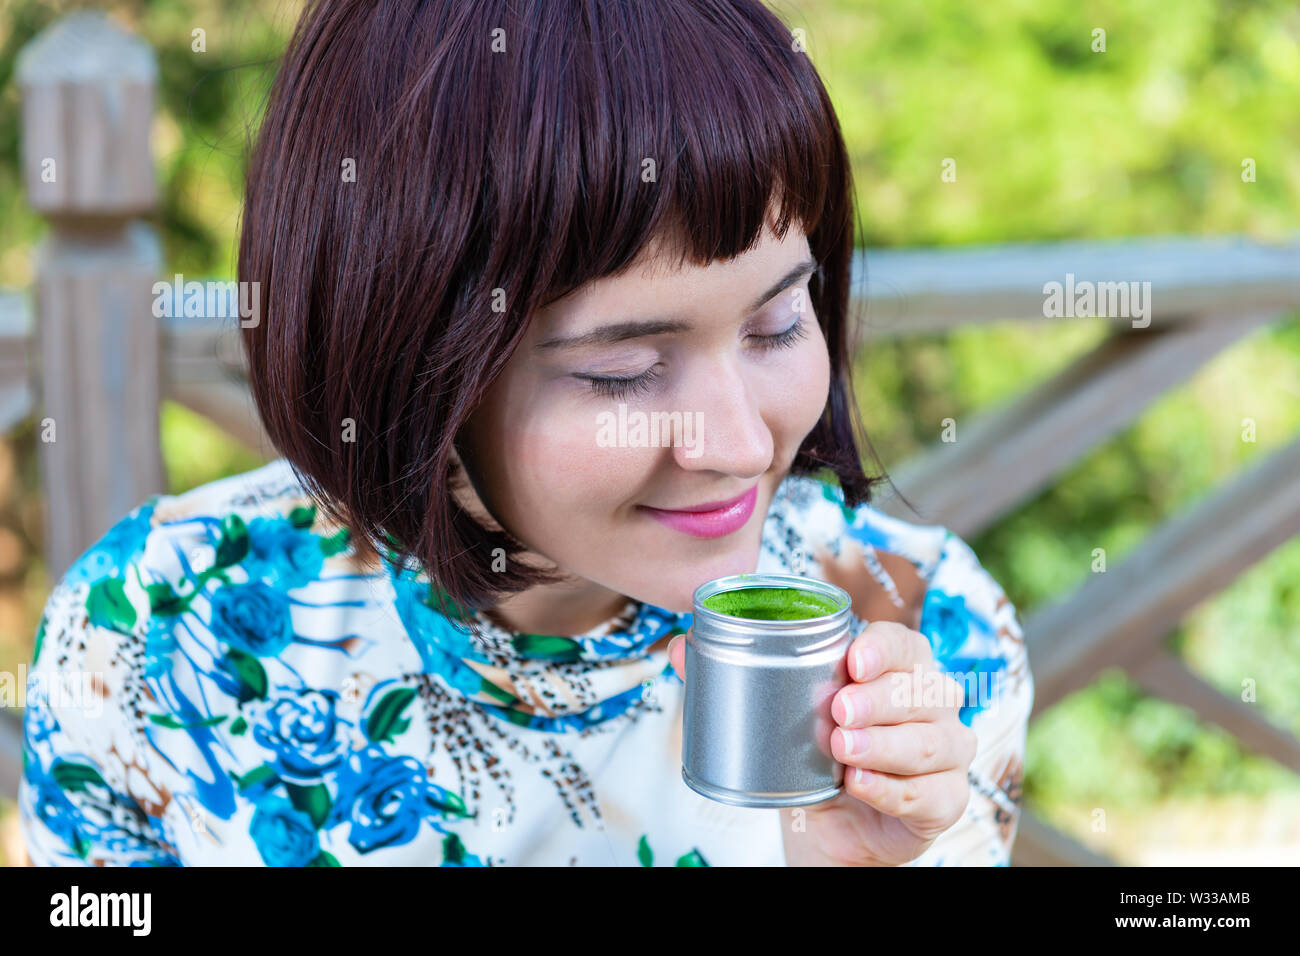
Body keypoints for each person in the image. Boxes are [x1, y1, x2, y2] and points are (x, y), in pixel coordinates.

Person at [18, 0, 1033, 866]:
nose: (737, 442)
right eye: (624, 371)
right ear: (403, 350)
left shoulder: (922, 644)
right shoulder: (153, 634)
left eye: (775, 324)